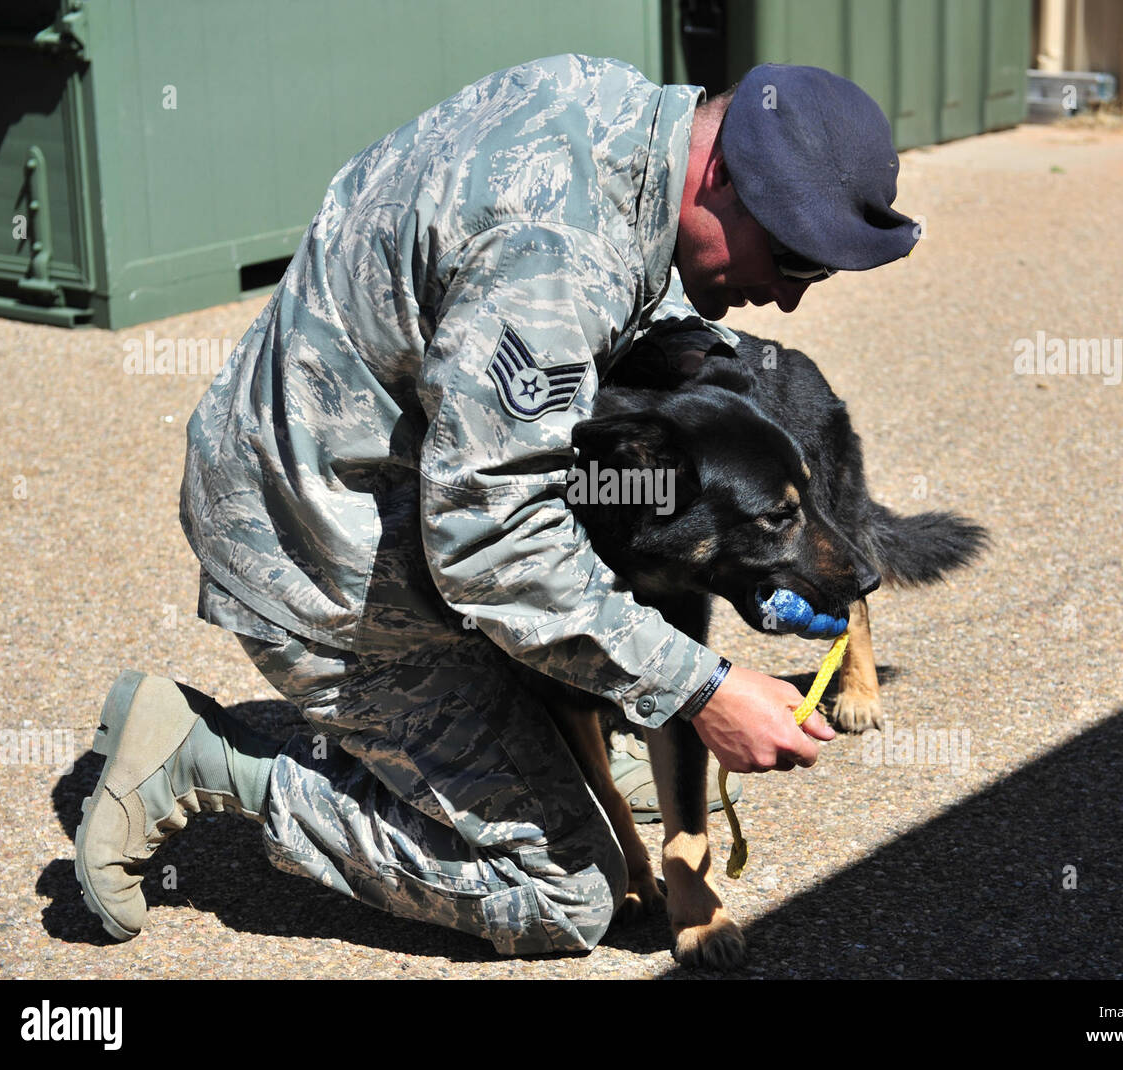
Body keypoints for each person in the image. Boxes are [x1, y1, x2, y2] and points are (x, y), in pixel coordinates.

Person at [74, 56, 918, 954]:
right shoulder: (555, 261)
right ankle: (208, 759)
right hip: (323, 555)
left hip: (380, 484)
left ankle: (532, 742)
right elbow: (495, 545)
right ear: (721, 177)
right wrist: (698, 689)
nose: (786, 296)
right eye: (790, 259)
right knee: (574, 890)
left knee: (597, 715)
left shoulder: (624, 118)